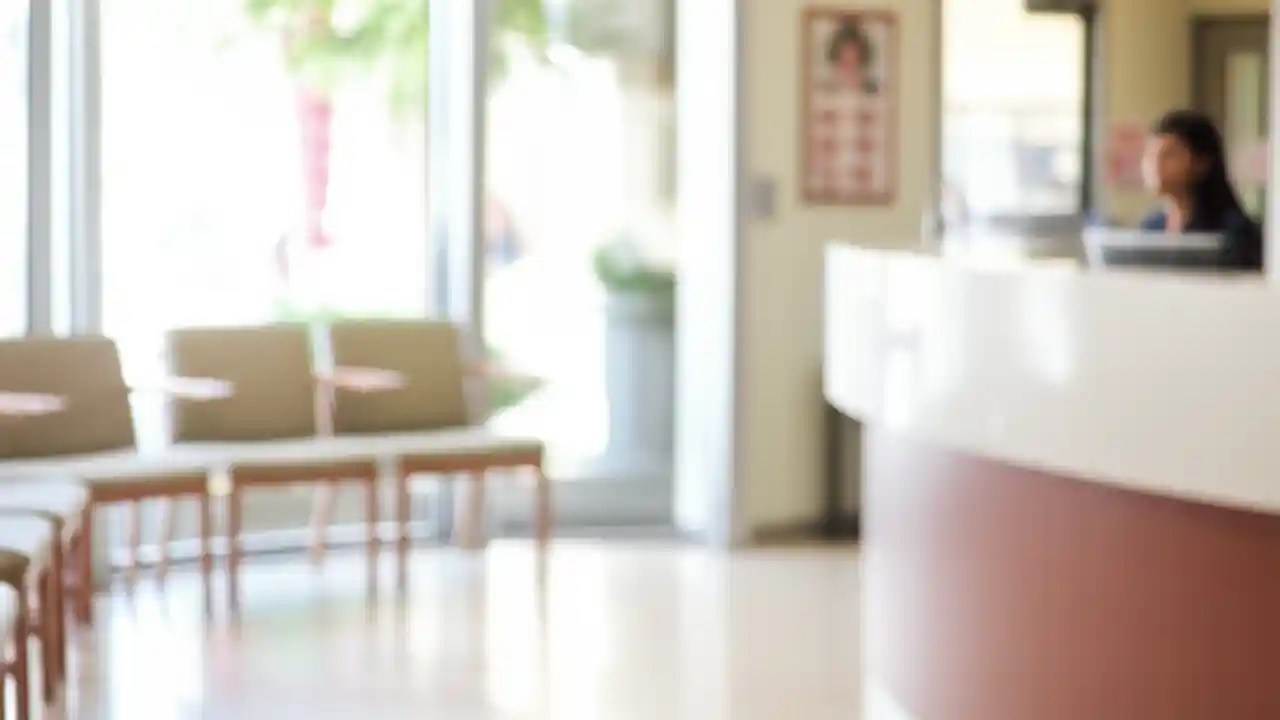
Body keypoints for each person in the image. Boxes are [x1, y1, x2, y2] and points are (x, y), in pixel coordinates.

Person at [1140, 109, 1263, 270]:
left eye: (1169, 155)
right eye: (1150, 155)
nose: (1154, 165)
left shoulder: (1233, 232)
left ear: (1201, 162)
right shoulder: (1151, 227)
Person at [826, 18, 879, 95]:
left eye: (852, 50)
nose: (849, 56)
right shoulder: (828, 88)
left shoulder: (871, 88)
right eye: (846, 50)